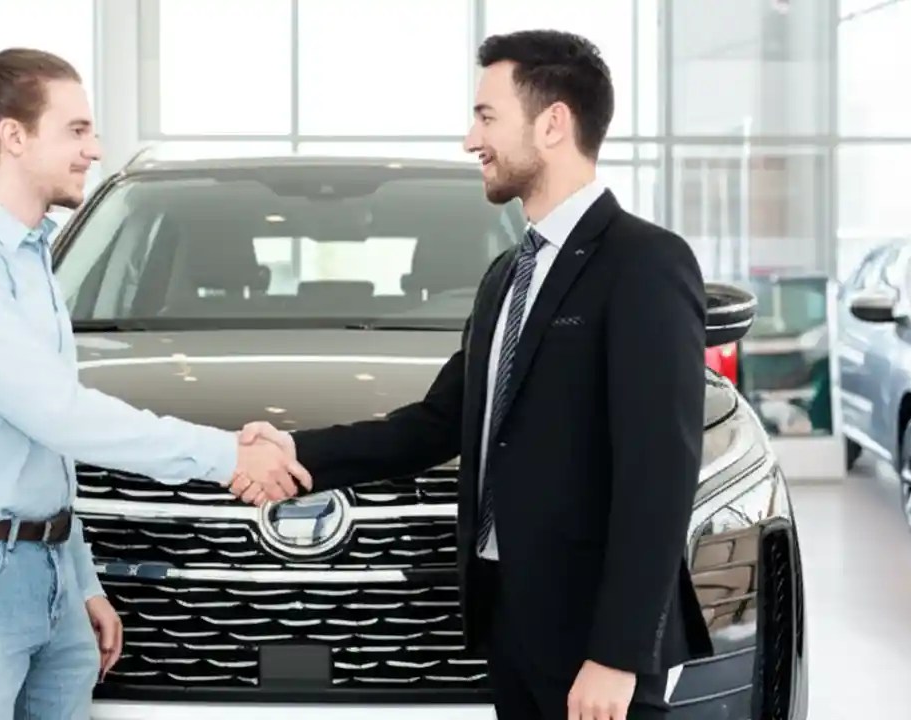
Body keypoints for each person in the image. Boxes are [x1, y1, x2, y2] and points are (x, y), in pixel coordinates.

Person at [239, 30, 713, 720]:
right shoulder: (507, 276)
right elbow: (437, 424)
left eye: (487, 117)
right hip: (511, 618)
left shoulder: (643, 262)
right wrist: (296, 451)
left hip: (591, 637)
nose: (471, 141)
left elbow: (659, 473)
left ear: (552, 123)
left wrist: (618, 654)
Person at [0, 48, 310, 720]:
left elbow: (43, 451)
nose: (94, 149)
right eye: (77, 130)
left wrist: (78, 578)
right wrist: (229, 454)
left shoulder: (31, 257)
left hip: (46, 564)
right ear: (14, 136)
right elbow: (60, 415)